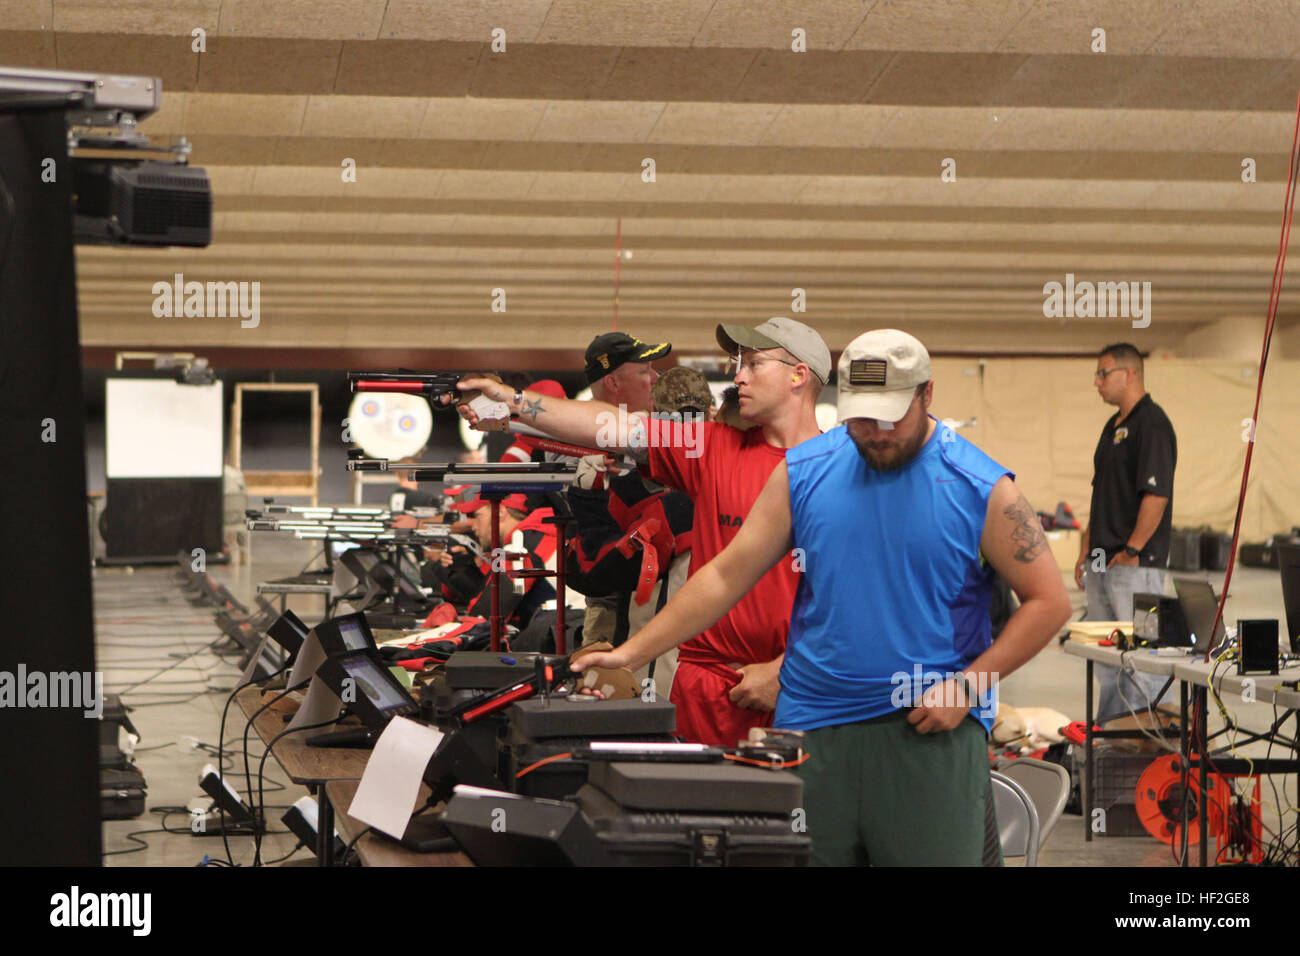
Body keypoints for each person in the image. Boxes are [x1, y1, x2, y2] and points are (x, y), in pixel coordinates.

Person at [573, 330, 1072, 865]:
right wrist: (632, 653)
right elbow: (725, 576)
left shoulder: (980, 486)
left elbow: (1049, 603)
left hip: (926, 733)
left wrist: (970, 686)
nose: (875, 433)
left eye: (890, 417)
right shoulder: (806, 472)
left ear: (926, 395)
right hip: (813, 730)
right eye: (861, 417)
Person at [452, 317, 830, 747]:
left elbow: (864, 603)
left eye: (755, 364)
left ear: (799, 375)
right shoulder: (712, 447)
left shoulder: (840, 468)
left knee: (795, 812)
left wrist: (789, 669)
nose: (737, 376)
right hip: (703, 687)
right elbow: (609, 424)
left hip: (798, 690)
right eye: (738, 363)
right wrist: (512, 403)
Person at [1074, 343, 1178, 723]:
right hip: (1104, 563)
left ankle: (1142, 739)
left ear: (1129, 374)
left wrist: (1133, 548)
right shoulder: (1112, 427)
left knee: (1139, 660)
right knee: (1108, 660)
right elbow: (1099, 493)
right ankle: (1110, 741)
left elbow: (1156, 495)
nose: (1097, 382)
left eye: (1104, 374)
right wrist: (1086, 551)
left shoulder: (1152, 425)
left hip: (1134, 565)